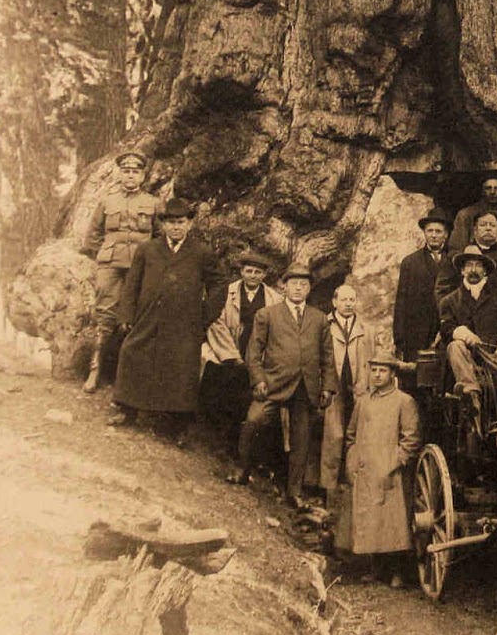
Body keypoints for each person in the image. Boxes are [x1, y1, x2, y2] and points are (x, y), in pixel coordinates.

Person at [109, 196, 228, 444]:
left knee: (180, 369)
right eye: (171, 222)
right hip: (148, 316)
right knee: (134, 354)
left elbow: (219, 284)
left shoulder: (201, 253)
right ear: (162, 224)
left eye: (181, 221)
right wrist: (127, 315)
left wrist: (203, 316)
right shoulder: (147, 249)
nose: (176, 227)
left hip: (184, 323)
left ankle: (177, 426)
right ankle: (127, 410)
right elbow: (132, 284)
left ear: (190, 224)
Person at [230, 262, 336, 507]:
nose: (298, 289)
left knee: (302, 439)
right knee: (253, 421)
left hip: (305, 386)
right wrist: (258, 379)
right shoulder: (267, 314)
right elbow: (253, 352)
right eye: (294, 284)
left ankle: (294, 492)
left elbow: (328, 356)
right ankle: (242, 471)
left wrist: (328, 386)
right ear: (284, 287)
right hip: (273, 383)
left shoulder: (319, 318)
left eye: (304, 284)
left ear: (309, 289)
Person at [81, 152, 163, 392]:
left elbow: (160, 236)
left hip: (140, 266)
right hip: (111, 266)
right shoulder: (107, 201)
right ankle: (95, 370)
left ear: (143, 175)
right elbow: (93, 235)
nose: (130, 175)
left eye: (135, 171)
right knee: (105, 316)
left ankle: (130, 377)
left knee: (138, 317)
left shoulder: (153, 202)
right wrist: (105, 255)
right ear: (120, 173)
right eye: (126, 171)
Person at [343, 335, 422, 585]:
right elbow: (351, 435)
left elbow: (411, 438)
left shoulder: (404, 402)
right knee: (370, 519)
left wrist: (396, 462)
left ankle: (398, 571)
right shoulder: (363, 402)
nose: (377, 375)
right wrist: (354, 461)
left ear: (392, 374)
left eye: (382, 370)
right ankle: (376, 568)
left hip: (391, 470)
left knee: (394, 521)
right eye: (374, 370)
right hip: (367, 469)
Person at [437, 244, 497, 427]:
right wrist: (465, 335)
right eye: (469, 265)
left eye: (478, 265)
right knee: (454, 345)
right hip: (461, 363)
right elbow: (447, 328)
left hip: (494, 359)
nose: (473, 270)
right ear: (462, 270)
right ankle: (471, 394)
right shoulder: (449, 301)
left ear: (485, 270)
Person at [200, 247, 271, 441]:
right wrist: (231, 355)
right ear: (242, 272)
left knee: (246, 399)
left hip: (256, 354)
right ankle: (213, 435)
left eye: (258, 272)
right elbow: (216, 321)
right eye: (249, 271)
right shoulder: (226, 292)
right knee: (219, 386)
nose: (253, 276)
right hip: (227, 351)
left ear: (264, 275)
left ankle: (236, 441)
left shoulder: (274, 299)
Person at [319, 281, 370, 503]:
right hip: (333, 387)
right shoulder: (325, 325)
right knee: (334, 435)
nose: (349, 304)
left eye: (352, 300)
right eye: (344, 300)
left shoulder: (365, 329)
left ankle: (353, 484)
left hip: (357, 388)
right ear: (334, 302)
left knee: (356, 435)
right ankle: (328, 489)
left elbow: (370, 360)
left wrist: (365, 386)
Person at [392, 208, 451, 362]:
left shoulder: (454, 261)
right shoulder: (410, 262)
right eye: (429, 230)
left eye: (438, 231)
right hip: (416, 332)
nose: (433, 235)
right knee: (415, 376)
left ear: (446, 234)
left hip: (445, 330)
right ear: (424, 233)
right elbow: (401, 302)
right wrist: (399, 339)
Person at [436, 209, 497, 304]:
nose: (488, 228)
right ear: (475, 230)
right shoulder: (458, 258)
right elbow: (442, 290)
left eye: (492, 225)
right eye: (483, 225)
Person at [447, 175, 497, 256]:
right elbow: (455, 249)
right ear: (482, 191)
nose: (492, 192)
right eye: (488, 188)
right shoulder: (466, 214)